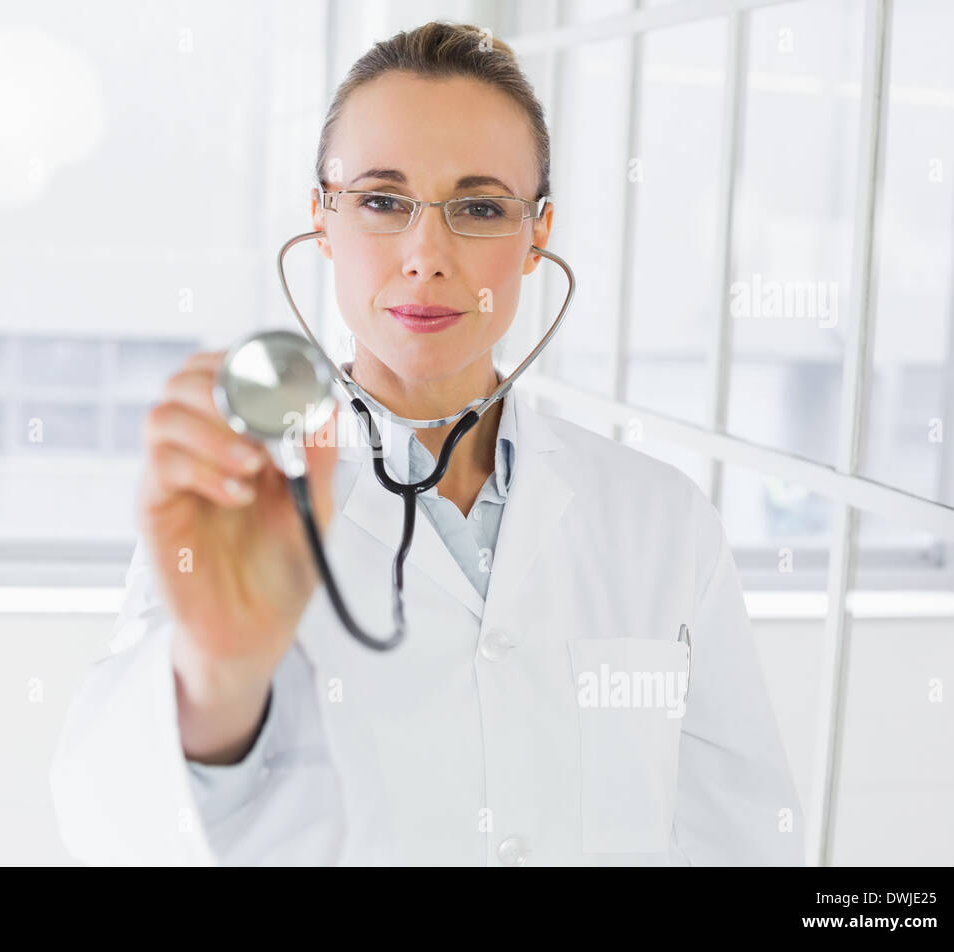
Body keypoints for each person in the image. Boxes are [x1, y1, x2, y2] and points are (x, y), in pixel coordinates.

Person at [50, 20, 803, 866]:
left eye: (480, 207)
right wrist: (219, 683)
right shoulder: (237, 506)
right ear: (322, 220)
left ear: (537, 234)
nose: (425, 255)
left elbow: (742, 830)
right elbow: (114, 824)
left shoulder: (662, 520)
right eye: (381, 200)